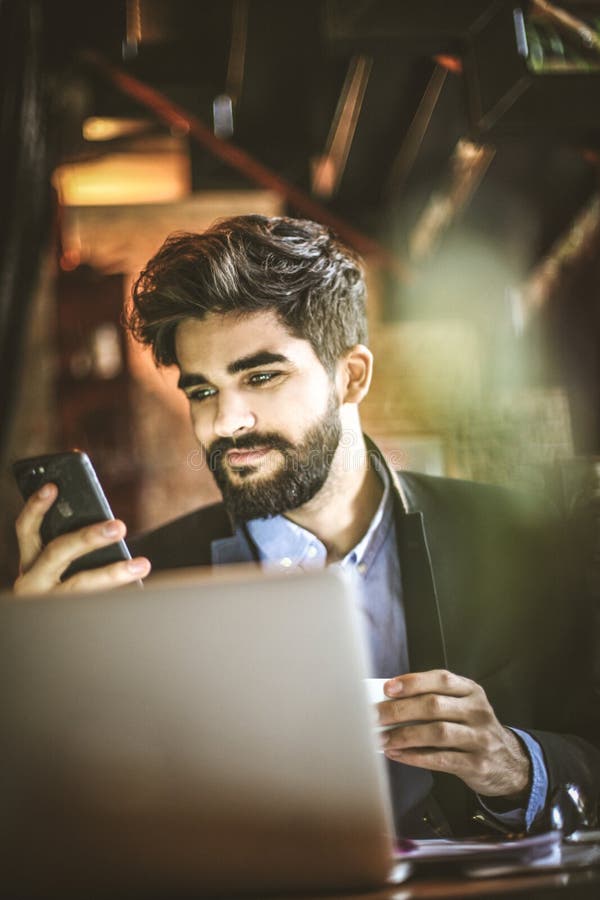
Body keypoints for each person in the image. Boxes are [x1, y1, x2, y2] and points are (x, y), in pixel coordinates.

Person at [14, 215, 600, 838]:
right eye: (202, 391)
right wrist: (31, 674)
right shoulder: (146, 582)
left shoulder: (531, 540)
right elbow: (75, 816)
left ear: (352, 376)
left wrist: (517, 766)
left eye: (260, 377)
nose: (224, 423)